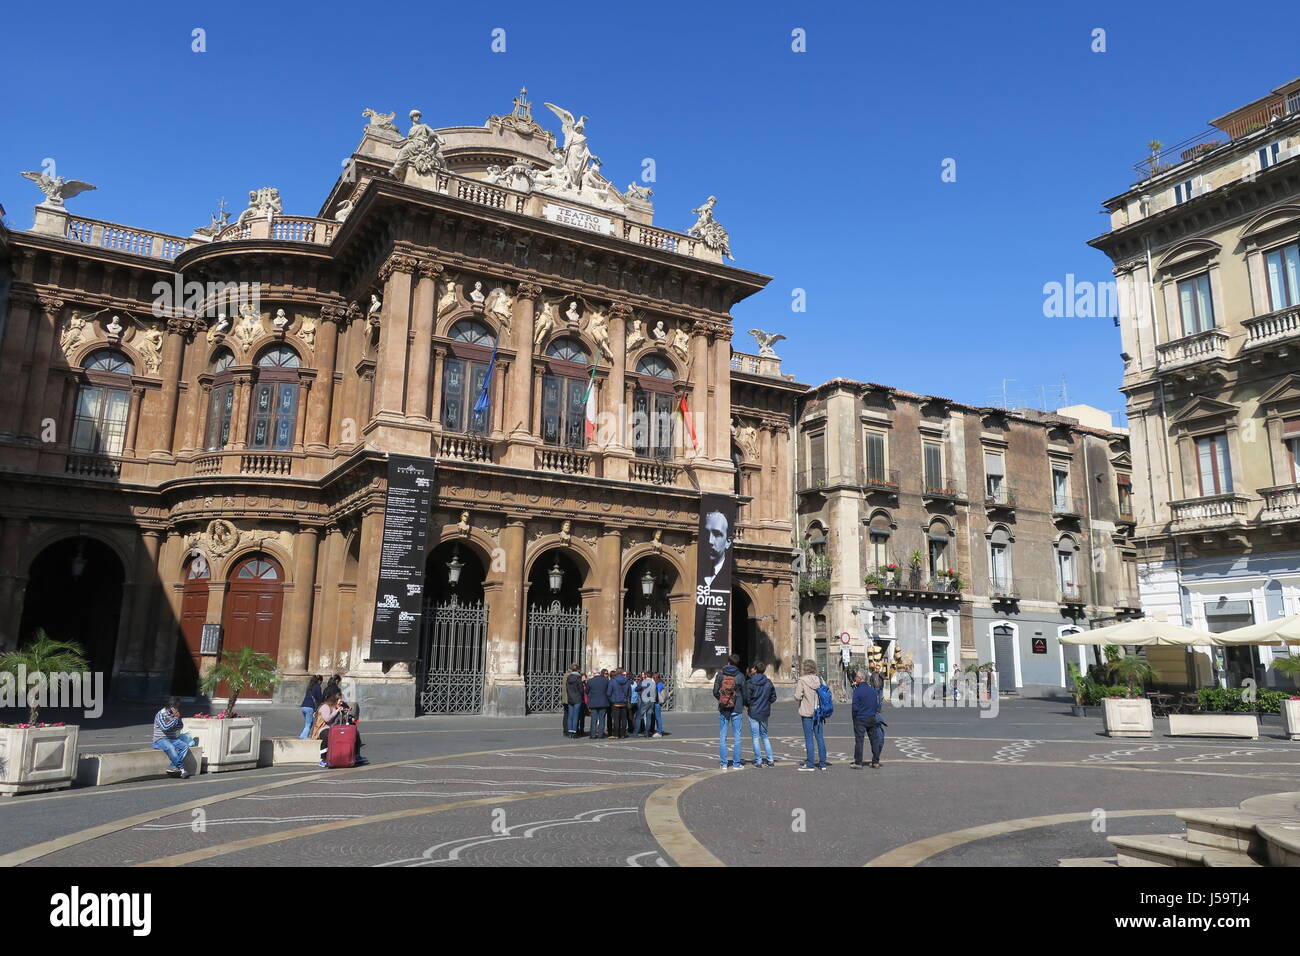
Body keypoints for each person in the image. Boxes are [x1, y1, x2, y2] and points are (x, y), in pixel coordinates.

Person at [315, 688, 368, 768]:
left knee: (355, 733)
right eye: (339, 701)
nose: (341, 703)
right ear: (334, 700)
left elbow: (343, 721)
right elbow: (327, 719)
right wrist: (336, 711)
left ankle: (356, 755)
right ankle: (323, 759)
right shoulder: (325, 707)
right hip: (324, 728)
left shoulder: (339, 707)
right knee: (327, 736)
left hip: (336, 729)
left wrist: (346, 713)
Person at [713, 653, 748, 769]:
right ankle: (736, 764)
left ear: (728, 662)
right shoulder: (740, 676)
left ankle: (724, 764)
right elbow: (745, 694)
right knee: (737, 735)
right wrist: (744, 703)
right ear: (737, 663)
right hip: (737, 708)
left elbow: (715, 691)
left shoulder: (720, 675)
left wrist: (723, 700)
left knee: (723, 735)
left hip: (724, 708)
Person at [795, 659, 829, 771]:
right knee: (820, 737)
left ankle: (810, 763)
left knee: (809, 738)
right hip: (818, 712)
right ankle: (823, 763)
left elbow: (797, 696)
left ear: (805, 668)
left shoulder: (802, 680)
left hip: (806, 712)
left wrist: (801, 696)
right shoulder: (820, 680)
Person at [850, 668, 886, 769]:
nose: (855, 678)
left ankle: (858, 762)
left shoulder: (857, 691)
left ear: (859, 678)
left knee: (859, 741)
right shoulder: (872, 690)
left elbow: (855, 707)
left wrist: (854, 718)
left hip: (860, 718)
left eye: (856, 676)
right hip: (871, 717)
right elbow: (877, 707)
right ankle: (876, 761)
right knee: (874, 740)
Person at [151, 696, 195, 778]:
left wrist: (178, 718)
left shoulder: (174, 714)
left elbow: (180, 727)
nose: (177, 709)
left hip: (172, 738)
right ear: (171, 706)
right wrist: (175, 719)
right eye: (176, 707)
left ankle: (173, 766)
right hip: (160, 740)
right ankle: (181, 769)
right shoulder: (161, 714)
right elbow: (165, 727)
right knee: (171, 747)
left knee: (184, 746)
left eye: (178, 707)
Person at [745, 661, 777, 768]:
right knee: (765, 736)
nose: (751, 669)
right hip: (764, 712)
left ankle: (758, 761)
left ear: (755, 669)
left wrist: (750, 705)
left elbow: (746, 698)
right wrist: (766, 703)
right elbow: (773, 697)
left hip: (753, 711)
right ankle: (770, 760)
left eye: (753, 668)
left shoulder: (750, 682)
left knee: (755, 737)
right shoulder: (768, 682)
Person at [701, 511, 731, 591]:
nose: (710, 541)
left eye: (717, 534)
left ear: (728, 542)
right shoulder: (695, 570)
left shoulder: (728, 573)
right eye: (706, 533)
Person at [586, 667, 610, 739]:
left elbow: (586, 691)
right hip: (603, 702)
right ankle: (600, 734)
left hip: (593, 702)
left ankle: (593, 735)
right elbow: (608, 691)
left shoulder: (590, 681)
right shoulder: (606, 680)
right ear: (599, 673)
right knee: (602, 719)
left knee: (594, 719)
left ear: (593, 673)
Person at [608, 667, 632, 738]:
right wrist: (627, 699)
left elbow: (609, 693)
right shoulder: (627, 681)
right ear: (622, 672)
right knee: (624, 719)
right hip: (624, 702)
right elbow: (629, 693)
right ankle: (623, 734)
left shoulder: (613, 681)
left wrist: (612, 700)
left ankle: (616, 734)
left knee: (616, 719)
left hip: (615, 702)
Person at [298, 675, 323, 739]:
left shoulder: (310, 687)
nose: (321, 683)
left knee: (308, 723)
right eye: (321, 681)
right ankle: (304, 737)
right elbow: (320, 698)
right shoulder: (317, 687)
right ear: (319, 681)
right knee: (309, 723)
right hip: (310, 707)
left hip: (303, 706)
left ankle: (302, 736)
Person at [564, 663, 584, 739]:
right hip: (577, 698)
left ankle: (570, 732)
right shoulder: (578, 678)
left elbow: (567, 688)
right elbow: (581, 689)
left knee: (570, 716)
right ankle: (574, 732)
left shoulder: (568, 677)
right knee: (576, 716)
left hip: (570, 698)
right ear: (578, 670)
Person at [637, 672, 657, 737]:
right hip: (652, 701)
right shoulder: (653, 683)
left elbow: (638, 688)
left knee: (639, 716)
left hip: (645, 700)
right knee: (649, 717)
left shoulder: (644, 682)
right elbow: (655, 692)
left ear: (646, 675)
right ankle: (647, 732)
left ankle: (636, 731)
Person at [652, 672, 667, 738]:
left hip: (657, 703)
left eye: (654, 677)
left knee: (658, 718)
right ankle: (655, 730)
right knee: (654, 717)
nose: (653, 678)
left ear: (657, 678)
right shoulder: (657, 683)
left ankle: (659, 732)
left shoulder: (659, 684)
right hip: (654, 702)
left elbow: (656, 691)